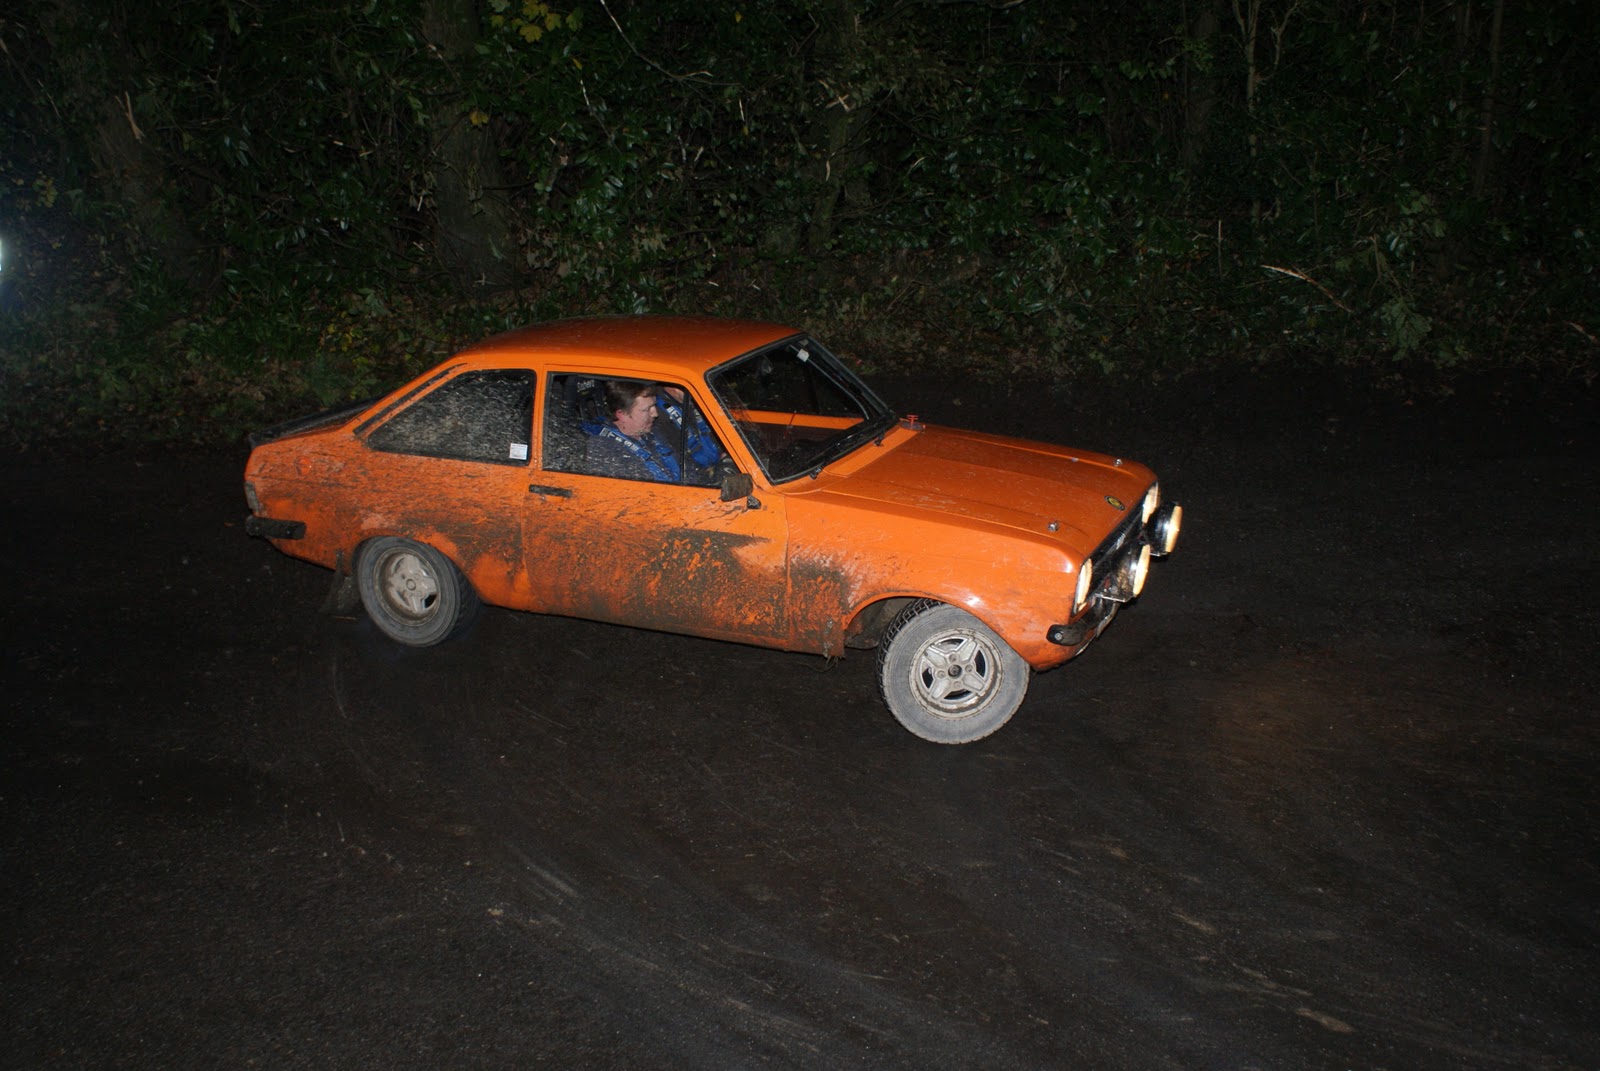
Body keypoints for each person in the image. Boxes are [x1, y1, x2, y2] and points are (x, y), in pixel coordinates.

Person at [583, 381, 682, 482]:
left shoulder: (655, 432)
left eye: (654, 406)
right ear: (622, 414)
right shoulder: (606, 452)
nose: (655, 414)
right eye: (646, 409)